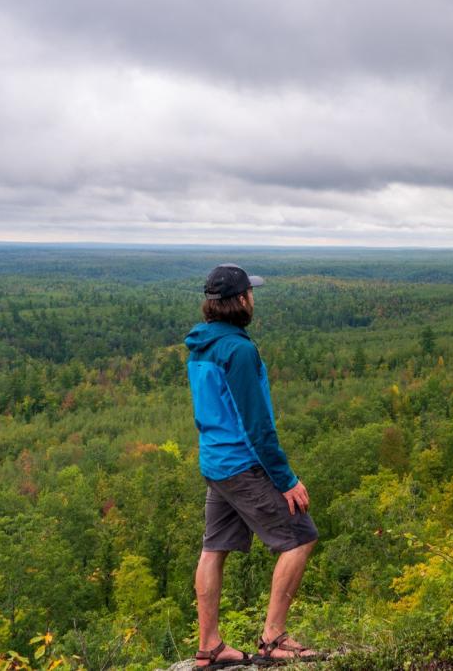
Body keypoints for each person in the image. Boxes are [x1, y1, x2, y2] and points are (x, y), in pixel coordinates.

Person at [185, 264, 321, 668]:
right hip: (242, 464)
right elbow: (257, 425)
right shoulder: (239, 351)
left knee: (214, 548)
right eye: (251, 293)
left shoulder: (200, 344)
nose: (253, 299)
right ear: (240, 300)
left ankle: (209, 647)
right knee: (300, 537)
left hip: (214, 461)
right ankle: (273, 638)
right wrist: (286, 479)